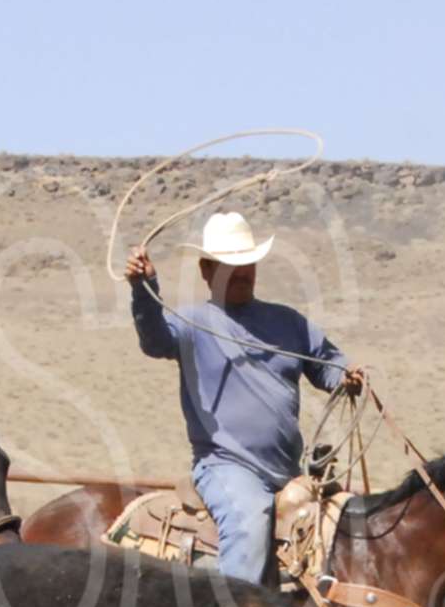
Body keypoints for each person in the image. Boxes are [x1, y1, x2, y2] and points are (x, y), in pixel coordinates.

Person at [125, 210, 362, 585]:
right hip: (227, 467)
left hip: (287, 470)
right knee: (249, 520)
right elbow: (154, 341)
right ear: (206, 270)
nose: (241, 272)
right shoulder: (190, 324)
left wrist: (346, 377)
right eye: (229, 265)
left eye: (247, 263)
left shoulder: (289, 322)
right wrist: (144, 289)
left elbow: (327, 366)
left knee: (341, 526)